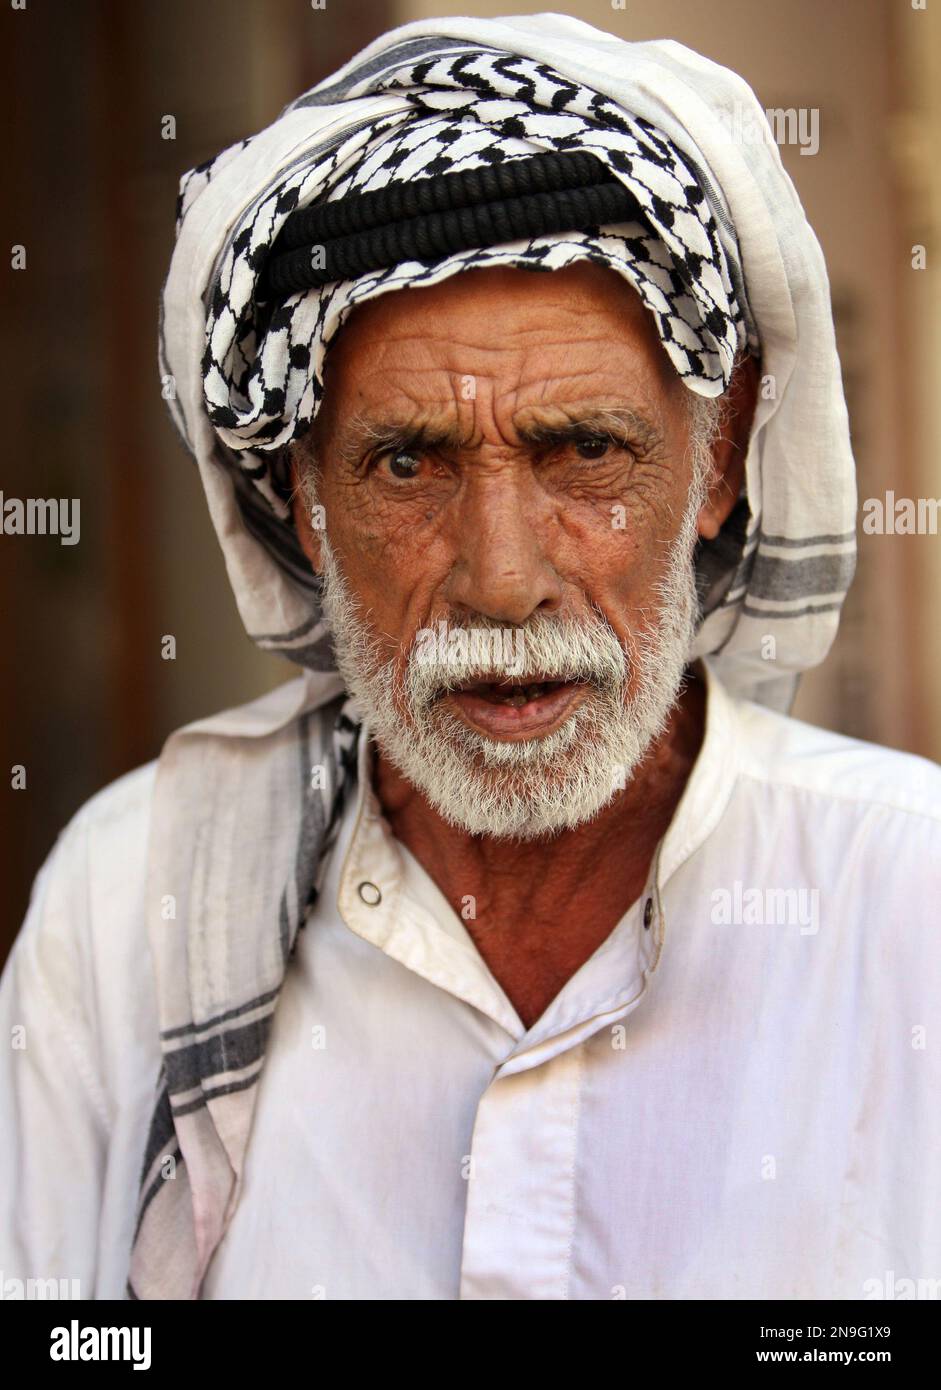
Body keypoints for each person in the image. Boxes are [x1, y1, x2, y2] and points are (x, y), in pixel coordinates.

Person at [2, 12, 939, 1301]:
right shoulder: (127, 907)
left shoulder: (907, 903)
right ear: (307, 502)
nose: (504, 579)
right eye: (407, 463)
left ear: (715, 469)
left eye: (585, 452)